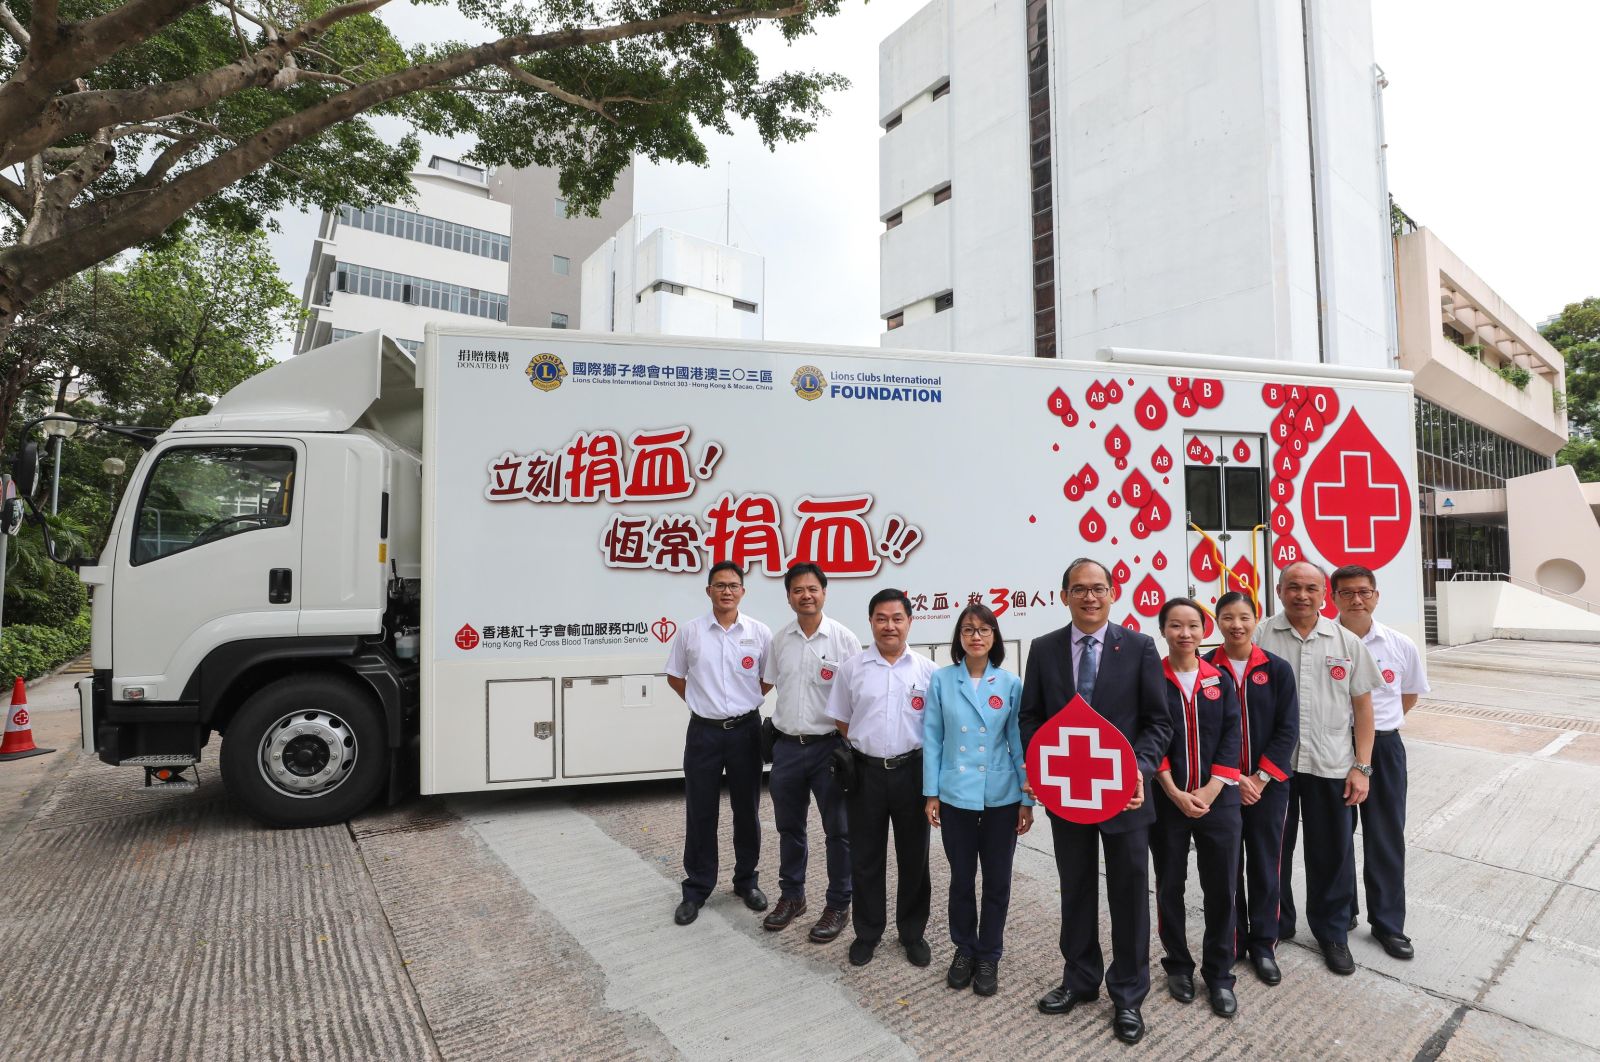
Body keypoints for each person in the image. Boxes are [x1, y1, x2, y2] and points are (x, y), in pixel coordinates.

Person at [1022, 558, 1172, 1046]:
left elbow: (1158, 723)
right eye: (1080, 589)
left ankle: (1128, 995)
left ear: (1113, 593)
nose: (1090, 597)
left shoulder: (1140, 647)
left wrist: (1139, 772)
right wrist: (1040, 769)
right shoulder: (1044, 649)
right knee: (1077, 888)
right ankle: (1080, 979)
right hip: (1068, 796)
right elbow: (1031, 718)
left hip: (1125, 798)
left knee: (1129, 895)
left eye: (1099, 589)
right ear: (1063, 595)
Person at [1254, 561, 1381, 975]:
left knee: (1332, 854)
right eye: (1294, 587)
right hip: (1275, 767)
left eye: (1311, 587)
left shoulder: (1345, 642)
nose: (1302, 595)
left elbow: (1363, 710)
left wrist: (1362, 766)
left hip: (1331, 764)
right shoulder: (1259, 636)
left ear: (1324, 593)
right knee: (1271, 851)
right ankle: (1275, 926)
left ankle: (1331, 932)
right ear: (1279, 590)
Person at [922, 604, 1034, 997]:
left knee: (998, 879)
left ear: (995, 638)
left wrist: (1026, 796)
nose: (976, 636)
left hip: (1001, 795)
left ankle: (989, 955)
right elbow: (933, 738)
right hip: (955, 794)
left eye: (985, 630)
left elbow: (1018, 741)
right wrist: (931, 792)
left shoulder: (1009, 683)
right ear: (959, 637)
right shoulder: (941, 680)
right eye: (969, 630)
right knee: (961, 878)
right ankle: (964, 949)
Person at [825, 588, 938, 968]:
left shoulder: (927, 671)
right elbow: (842, 719)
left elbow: (935, 727)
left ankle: (912, 933)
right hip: (866, 774)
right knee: (866, 857)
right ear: (871, 622)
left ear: (909, 621)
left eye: (897, 618)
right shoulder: (852, 668)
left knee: (914, 858)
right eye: (881, 619)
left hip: (912, 773)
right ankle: (867, 932)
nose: (889, 626)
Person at [664, 560, 773, 926]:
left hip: (745, 731)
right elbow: (676, 676)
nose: (726, 590)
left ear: (743, 591)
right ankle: (696, 888)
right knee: (700, 811)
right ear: (708, 591)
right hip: (704, 733)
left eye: (733, 585)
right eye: (719, 585)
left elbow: (767, 679)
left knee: (747, 810)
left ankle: (746, 881)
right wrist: (703, 704)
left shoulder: (759, 633)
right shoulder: (691, 632)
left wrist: (743, 705)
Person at [1150, 597, 1243, 1018]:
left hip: (1218, 802)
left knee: (1221, 888)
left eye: (1192, 626)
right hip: (1167, 802)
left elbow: (1231, 737)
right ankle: (1178, 966)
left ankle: (1220, 973)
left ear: (1205, 631)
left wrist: (1209, 790)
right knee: (1169, 884)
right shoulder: (1152, 679)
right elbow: (1148, 735)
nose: (1184, 634)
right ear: (1163, 631)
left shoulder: (1219, 680)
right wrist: (1171, 789)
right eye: (1175, 626)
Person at [760, 562, 863, 943]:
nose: (806, 595)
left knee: (839, 831)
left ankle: (838, 903)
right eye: (798, 590)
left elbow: (858, 694)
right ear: (789, 596)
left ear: (824, 592)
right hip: (787, 747)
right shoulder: (779, 639)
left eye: (812, 589)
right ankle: (792, 897)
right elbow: (768, 684)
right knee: (789, 828)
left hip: (828, 750)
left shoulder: (843, 639)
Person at [1333, 564, 1429, 961]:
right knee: (1335, 838)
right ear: (1333, 598)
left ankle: (1389, 925)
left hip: (1385, 748)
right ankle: (1341, 914)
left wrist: (1377, 734)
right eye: (1347, 593)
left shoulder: (1400, 644)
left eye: (1364, 592)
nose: (1357, 599)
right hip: (1334, 748)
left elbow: (1408, 696)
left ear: (1376, 595)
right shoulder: (1324, 642)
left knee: (1386, 837)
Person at [1205, 591, 1299, 987]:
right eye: (1228, 617)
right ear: (1218, 621)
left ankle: (1264, 943)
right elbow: (1199, 732)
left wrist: (1260, 778)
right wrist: (1230, 777)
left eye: (1244, 617)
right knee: (1225, 869)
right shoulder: (1205, 667)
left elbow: (1287, 729)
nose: (1236, 625)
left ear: (1256, 619)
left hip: (1268, 787)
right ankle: (1232, 942)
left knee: (1266, 864)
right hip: (1220, 786)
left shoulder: (1275, 669)